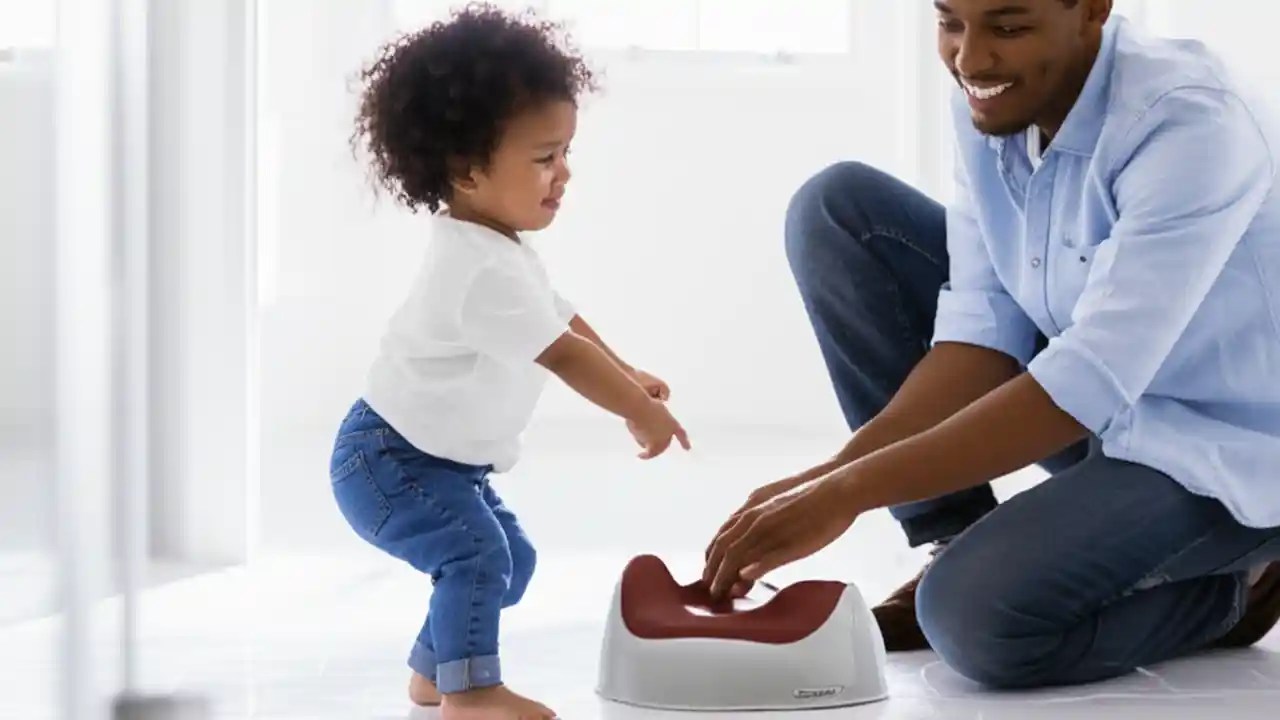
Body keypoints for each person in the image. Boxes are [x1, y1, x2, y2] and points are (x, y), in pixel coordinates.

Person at [704, 0, 1280, 689]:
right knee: (838, 210)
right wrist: (828, 479)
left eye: (1008, 28)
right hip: (1102, 407)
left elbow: (1086, 380)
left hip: (1231, 449)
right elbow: (981, 337)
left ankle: (1238, 589)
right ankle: (956, 536)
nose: (971, 60)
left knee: (977, 623)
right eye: (950, 23)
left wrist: (845, 492)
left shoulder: (1189, 120)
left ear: (1092, 9)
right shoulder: (994, 98)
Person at [331, 7, 690, 719]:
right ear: (467, 168)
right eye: (544, 158)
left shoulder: (499, 248)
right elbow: (562, 355)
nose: (564, 174)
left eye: (565, 153)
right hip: (392, 460)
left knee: (509, 562)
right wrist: (636, 409)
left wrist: (628, 370)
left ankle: (434, 671)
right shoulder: (477, 270)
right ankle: (470, 693)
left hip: (433, 460)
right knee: (477, 558)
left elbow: (564, 322)